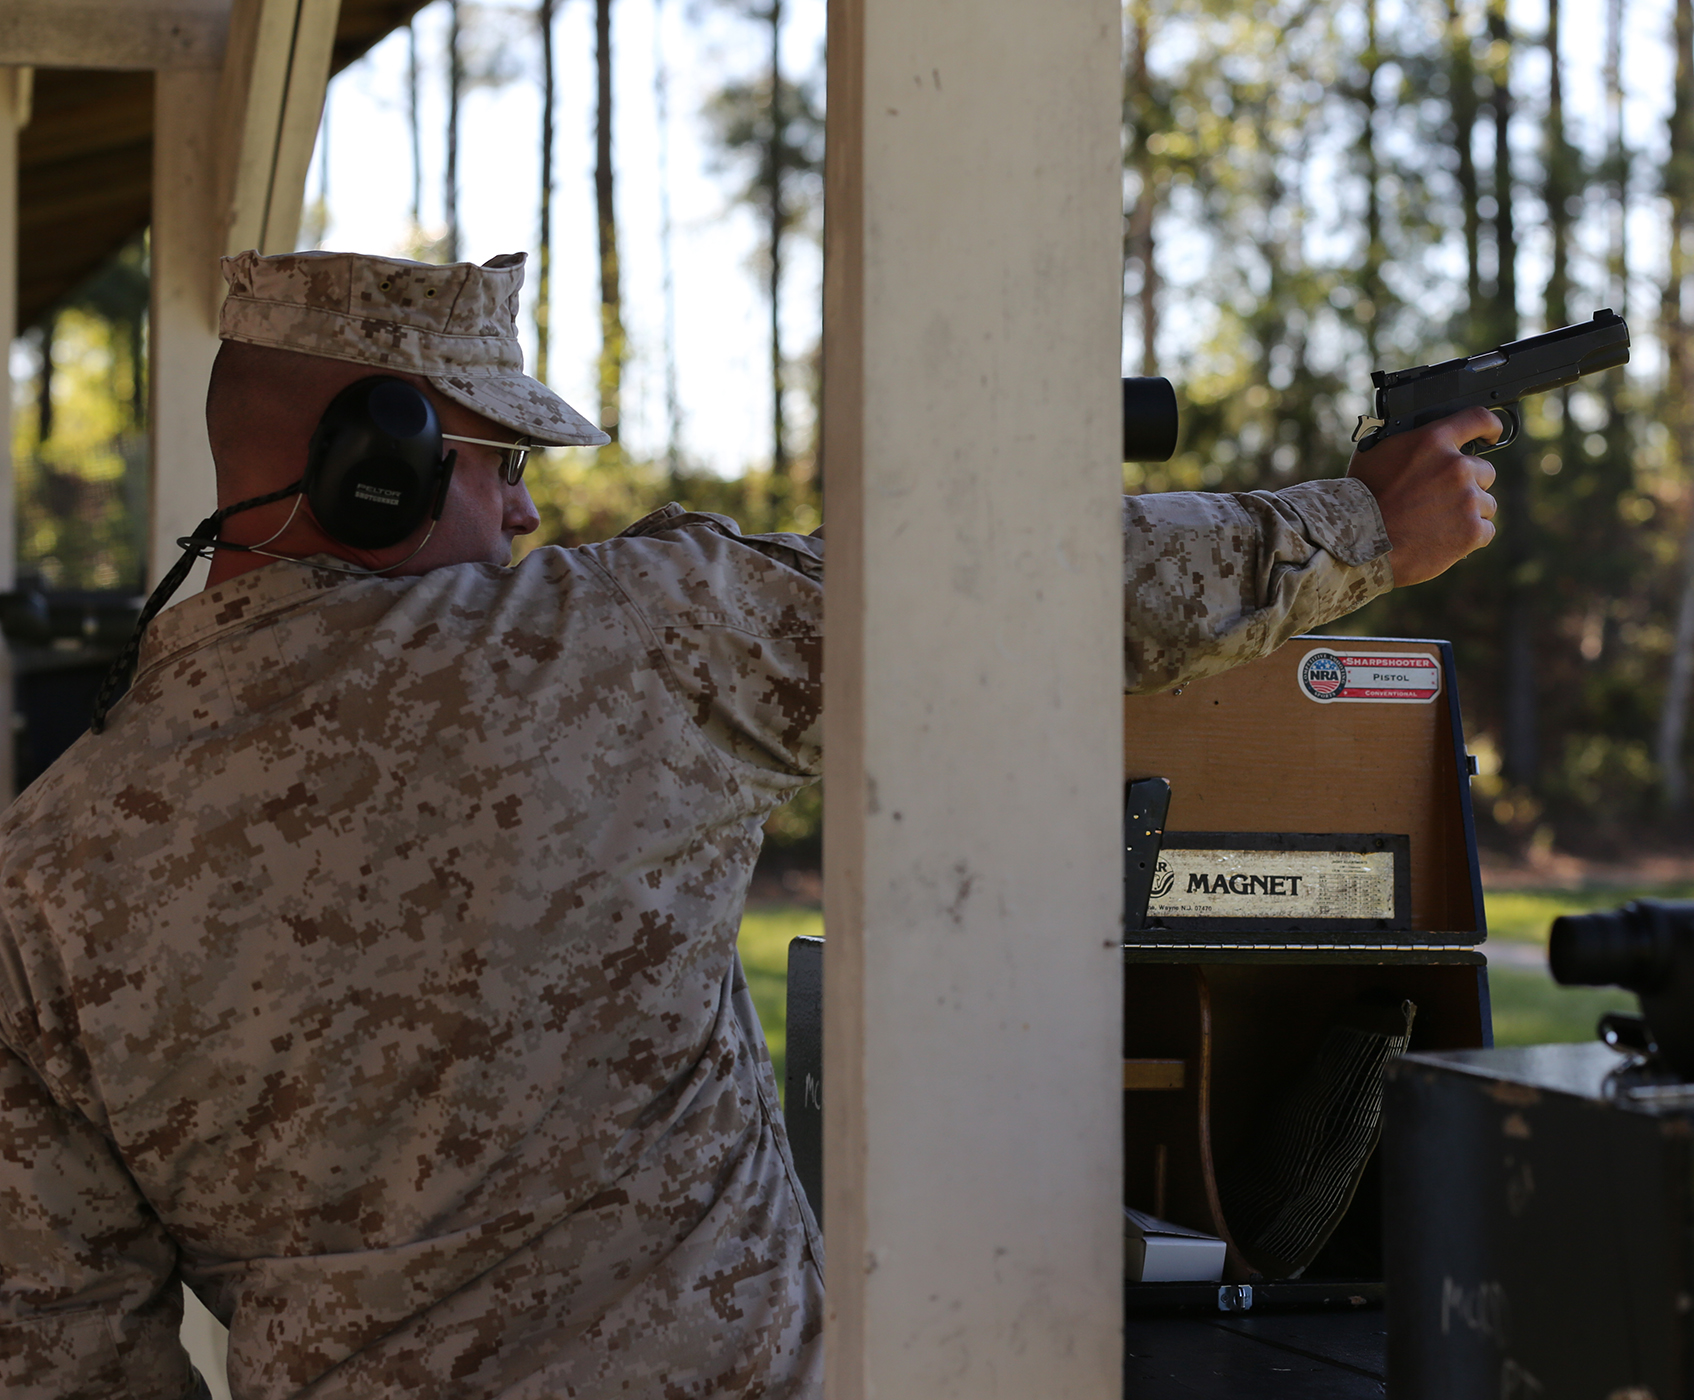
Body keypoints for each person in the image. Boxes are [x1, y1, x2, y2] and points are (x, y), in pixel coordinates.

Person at [0, 249, 1498, 1400]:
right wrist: (1367, 526)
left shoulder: (43, 868)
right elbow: (996, 596)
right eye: (500, 466)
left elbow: (58, 1349)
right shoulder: (609, 650)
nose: (524, 517)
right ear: (378, 464)